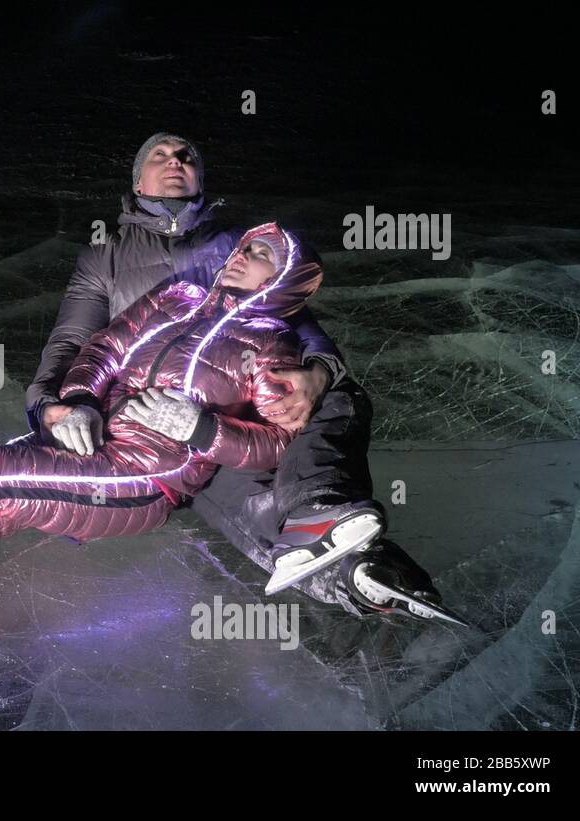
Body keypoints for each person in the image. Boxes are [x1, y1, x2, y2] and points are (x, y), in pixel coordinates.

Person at [0, 224, 444, 621]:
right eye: (244, 244)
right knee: (2, 503)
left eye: (263, 251)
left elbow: (276, 438)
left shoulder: (274, 347)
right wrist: (77, 399)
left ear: (293, 275)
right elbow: (101, 349)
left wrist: (201, 431)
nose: (242, 253)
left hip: (151, 477)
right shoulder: (175, 294)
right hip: (98, 439)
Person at [26, 132, 446, 618]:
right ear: (138, 180)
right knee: (237, 490)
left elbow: (296, 320)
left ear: (200, 178)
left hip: (230, 402)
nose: (174, 162)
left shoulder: (236, 247)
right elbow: (72, 341)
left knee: (336, 397)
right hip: (149, 418)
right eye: (158, 156)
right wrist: (47, 404)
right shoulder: (104, 258)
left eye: (186, 157)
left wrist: (319, 370)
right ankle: (342, 566)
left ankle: (347, 547)